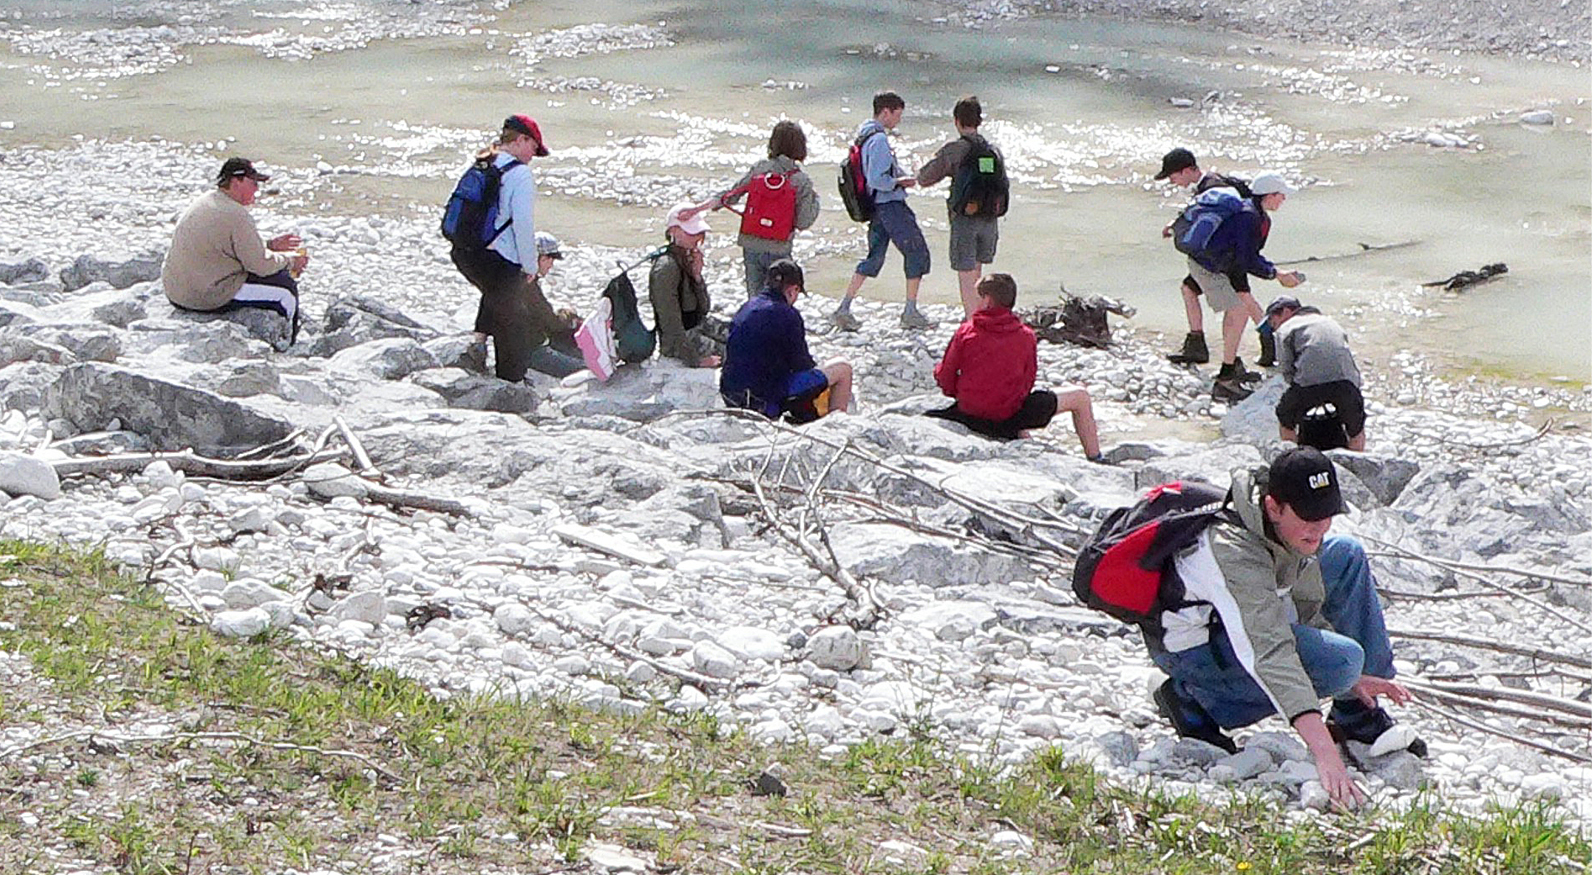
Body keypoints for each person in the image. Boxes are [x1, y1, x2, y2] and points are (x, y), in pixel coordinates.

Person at [1147, 448, 1423, 810]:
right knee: (1340, 662)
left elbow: (1307, 605)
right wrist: (1324, 751)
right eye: (1309, 517)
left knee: (1346, 555)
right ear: (1274, 507)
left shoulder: (1289, 531)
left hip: (1239, 625)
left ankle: (1356, 713)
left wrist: (1357, 681)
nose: (1319, 528)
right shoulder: (1232, 551)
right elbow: (1269, 651)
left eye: (1326, 515)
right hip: (1194, 649)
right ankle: (1196, 701)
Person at [449, 115, 583, 380]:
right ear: (521, 140)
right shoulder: (519, 174)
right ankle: (510, 384)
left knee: (497, 298)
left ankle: (477, 348)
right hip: (496, 258)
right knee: (513, 325)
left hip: (465, 251)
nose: (533, 155)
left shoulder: (484, 162)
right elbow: (523, 224)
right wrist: (529, 265)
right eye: (534, 148)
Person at [926, 273, 1103, 459]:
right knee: (1080, 396)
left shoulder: (966, 332)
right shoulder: (1026, 335)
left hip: (969, 414)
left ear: (987, 301)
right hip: (1009, 418)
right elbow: (1027, 383)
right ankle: (1096, 458)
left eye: (978, 297)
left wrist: (966, 394)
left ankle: (1020, 432)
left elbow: (945, 378)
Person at [1184, 171, 1306, 402]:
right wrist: (1276, 273)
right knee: (1239, 310)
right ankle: (1226, 378)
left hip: (1218, 263)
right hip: (1209, 266)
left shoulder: (1256, 215)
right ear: (1269, 196)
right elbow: (1245, 259)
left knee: (1238, 307)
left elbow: (1244, 257)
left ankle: (1230, 365)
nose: (1284, 199)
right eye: (1281, 195)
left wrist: (1271, 272)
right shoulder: (1250, 217)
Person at [162, 157, 310, 346]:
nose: (257, 189)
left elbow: (223, 245)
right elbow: (260, 265)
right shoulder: (237, 215)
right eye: (253, 183)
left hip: (175, 291)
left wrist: (269, 246)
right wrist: (290, 261)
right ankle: (289, 343)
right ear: (235, 181)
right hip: (201, 297)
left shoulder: (207, 201)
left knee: (275, 272)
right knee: (286, 288)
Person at [677, 120, 820, 296]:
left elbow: (730, 196)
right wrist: (816, 201)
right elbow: (803, 222)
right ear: (800, 146)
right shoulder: (801, 181)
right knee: (779, 299)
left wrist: (696, 209)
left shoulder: (760, 169)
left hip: (751, 242)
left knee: (755, 297)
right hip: (779, 248)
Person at [831, 92, 934, 331]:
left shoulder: (863, 135)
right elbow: (878, 179)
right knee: (917, 253)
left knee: (874, 257)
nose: (898, 120)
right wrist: (900, 182)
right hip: (890, 205)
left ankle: (844, 307)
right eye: (897, 115)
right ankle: (910, 311)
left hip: (876, 207)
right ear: (885, 112)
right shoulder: (878, 140)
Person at [1156, 147, 1260, 369]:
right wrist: (1175, 224)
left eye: (1173, 177)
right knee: (1190, 289)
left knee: (1242, 301)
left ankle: (1243, 354)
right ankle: (1198, 345)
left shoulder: (1211, 189)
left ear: (1187, 171)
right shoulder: (1214, 183)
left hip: (1224, 257)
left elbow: (1204, 221)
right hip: (1228, 252)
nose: (1173, 182)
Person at [722, 259, 853, 421]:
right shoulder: (788, 315)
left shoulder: (747, 306)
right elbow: (802, 365)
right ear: (793, 290)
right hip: (760, 402)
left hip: (730, 395)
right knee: (843, 368)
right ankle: (837, 423)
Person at [916, 96, 1006, 317]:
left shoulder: (956, 149)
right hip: (989, 220)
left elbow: (925, 177)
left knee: (966, 276)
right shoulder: (993, 150)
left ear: (956, 121)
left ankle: (972, 321)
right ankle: (980, 316)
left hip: (965, 219)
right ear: (980, 121)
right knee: (977, 271)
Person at [1265, 296, 1367, 451]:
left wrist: (1299, 390)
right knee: (1356, 427)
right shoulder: (1330, 321)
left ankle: (1293, 457)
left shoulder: (1285, 329)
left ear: (1285, 312)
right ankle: (1358, 460)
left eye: (1273, 322)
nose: (1274, 327)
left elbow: (1286, 369)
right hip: (1346, 385)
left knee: (1285, 416)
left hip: (1308, 385)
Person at [649, 205, 720, 368]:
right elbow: (669, 320)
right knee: (736, 351)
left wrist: (697, 277)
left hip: (696, 326)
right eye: (691, 232)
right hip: (678, 342)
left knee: (742, 334)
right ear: (673, 231)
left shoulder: (685, 257)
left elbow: (703, 309)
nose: (697, 237)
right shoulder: (666, 267)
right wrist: (694, 360)